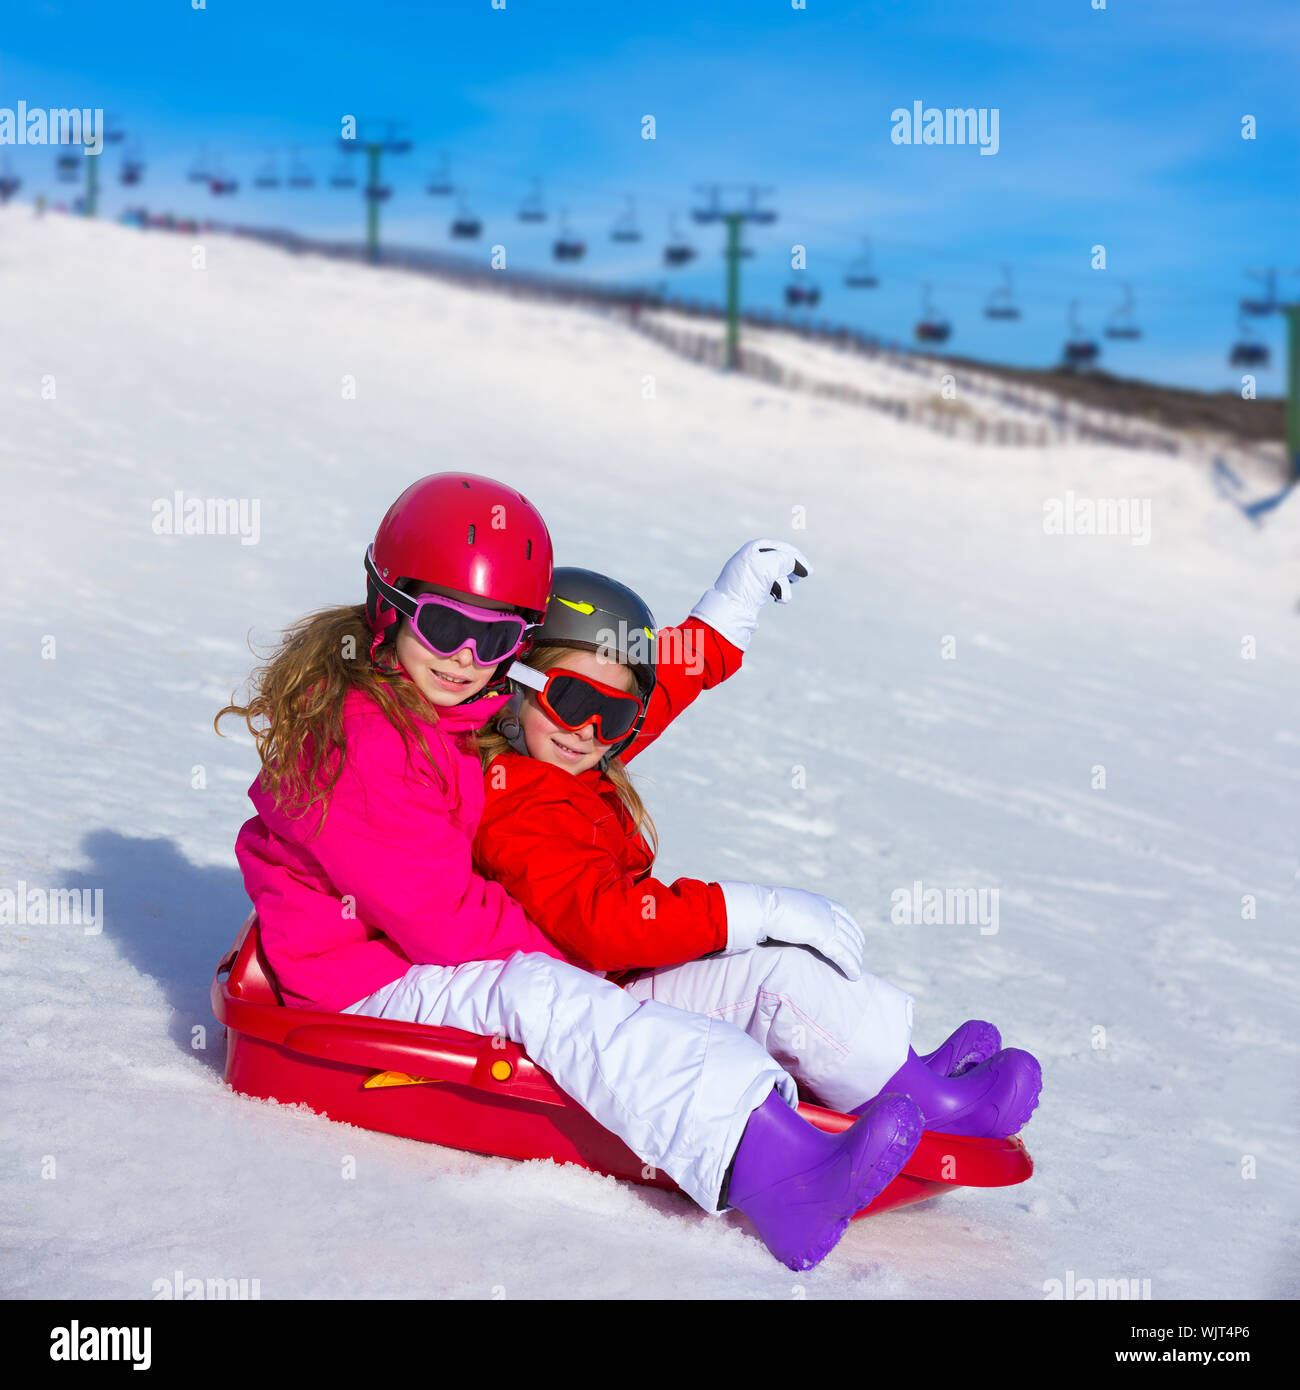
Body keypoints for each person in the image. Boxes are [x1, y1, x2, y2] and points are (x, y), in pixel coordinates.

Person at [220, 473, 925, 1272]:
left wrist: (720, 622)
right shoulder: (368, 742)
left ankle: (906, 1088)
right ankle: (772, 1169)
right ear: (390, 605)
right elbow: (445, 922)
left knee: (611, 983)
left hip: (410, 944)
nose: (463, 657)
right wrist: (589, 959)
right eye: (445, 625)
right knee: (539, 993)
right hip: (361, 975)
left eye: (493, 640)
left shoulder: (464, 698)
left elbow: (597, 703)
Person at [473, 545, 1043, 1137]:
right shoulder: (520, 801)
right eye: (572, 700)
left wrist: (729, 608)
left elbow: (662, 685)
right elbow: (606, 925)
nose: (590, 730)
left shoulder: (558, 753)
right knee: (777, 981)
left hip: (619, 977)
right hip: (596, 1004)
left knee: (778, 962)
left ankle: (897, 1069)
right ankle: (917, 1104)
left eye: (613, 718)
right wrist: (747, 910)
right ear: (515, 681)